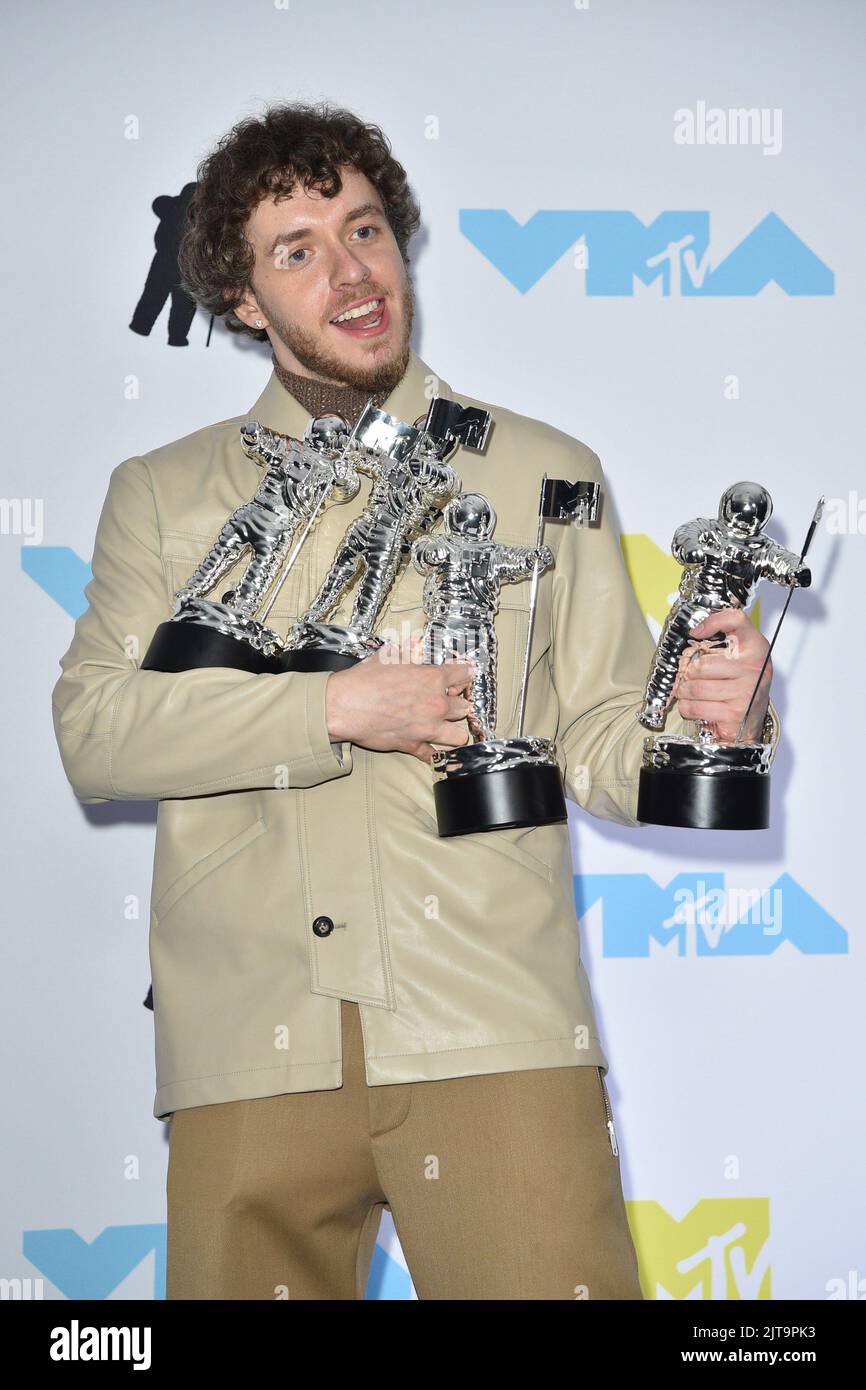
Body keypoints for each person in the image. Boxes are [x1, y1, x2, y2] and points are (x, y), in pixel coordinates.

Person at [51, 101, 780, 1301]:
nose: (351, 274)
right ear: (239, 298)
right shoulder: (162, 492)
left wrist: (715, 716)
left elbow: (601, 743)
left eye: (366, 230)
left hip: (494, 1027)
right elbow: (93, 735)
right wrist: (333, 709)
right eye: (298, 250)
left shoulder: (550, 470)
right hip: (249, 1047)